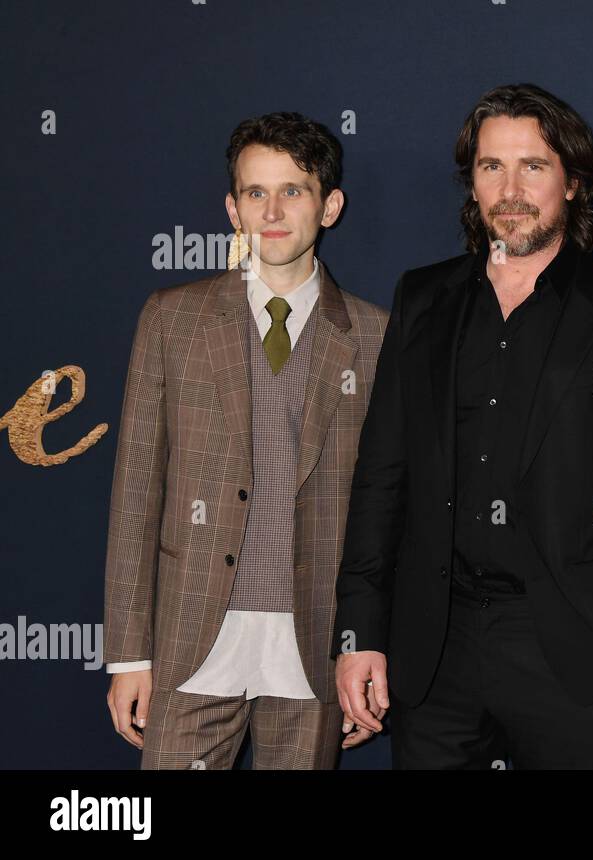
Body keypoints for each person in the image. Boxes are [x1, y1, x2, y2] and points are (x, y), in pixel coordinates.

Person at [332, 83, 593, 769]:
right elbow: (382, 473)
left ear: (574, 182)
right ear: (472, 184)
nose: (511, 187)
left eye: (534, 165)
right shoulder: (424, 298)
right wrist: (361, 633)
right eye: (491, 166)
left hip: (571, 651)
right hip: (433, 645)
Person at [104, 112, 390, 768]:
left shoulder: (379, 338)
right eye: (256, 193)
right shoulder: (172, 320)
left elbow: (390, 511)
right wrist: (129, 654)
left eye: (294, 190)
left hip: (315, 645)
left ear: (331, 205)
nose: (274, 209)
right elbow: (136, 492)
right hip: (190, 639)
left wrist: (367, 647)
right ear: (233, 208)